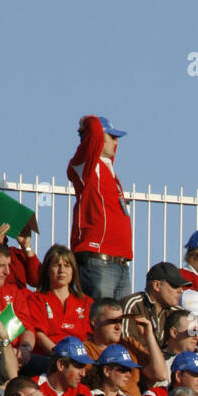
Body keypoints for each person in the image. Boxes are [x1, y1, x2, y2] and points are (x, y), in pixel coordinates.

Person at [66, 115, 132, 299]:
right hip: (98, 261)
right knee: (99, 321)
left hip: (120, 262)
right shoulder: (86, 166)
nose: (116, 141)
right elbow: (94, 130)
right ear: (98, 138)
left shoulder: (108, 168)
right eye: (111, 136)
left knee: (122, 324)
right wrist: (88, 122)